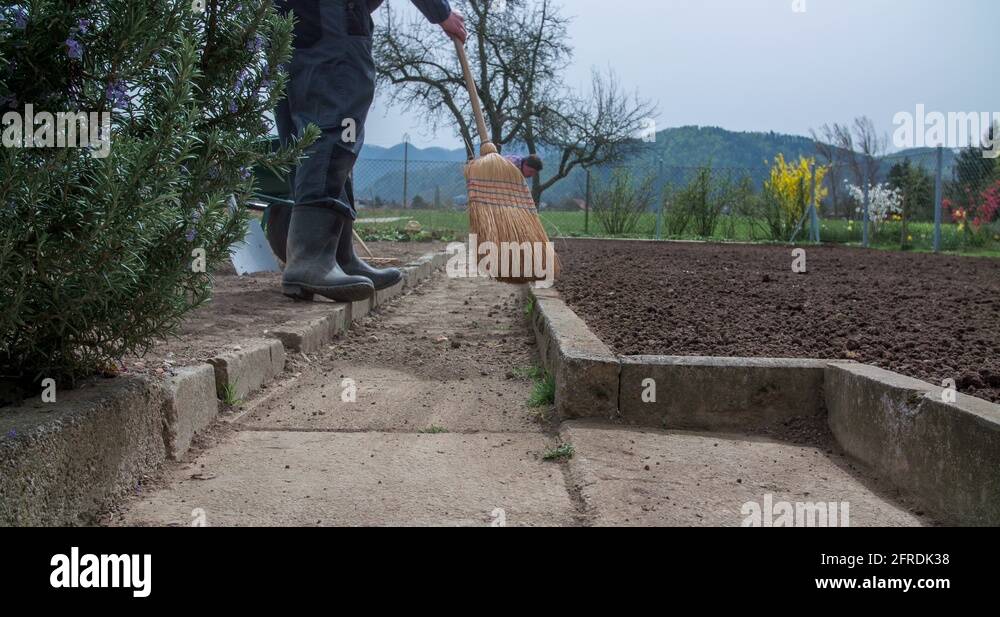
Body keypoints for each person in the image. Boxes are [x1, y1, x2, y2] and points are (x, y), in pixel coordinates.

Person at [269, 0, 468, 302]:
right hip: (333, 17)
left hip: (288, 17)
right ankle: (310, 259)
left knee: (304, 129)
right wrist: (440, 13)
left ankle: (336, 254)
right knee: (337, 123)